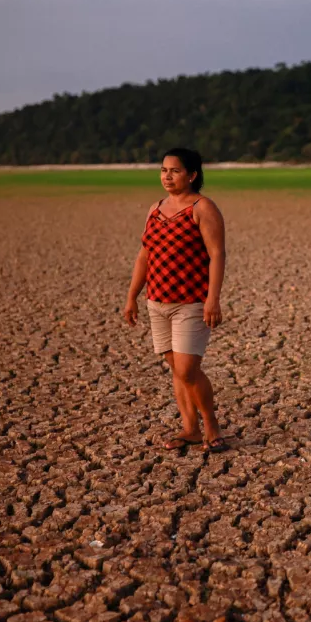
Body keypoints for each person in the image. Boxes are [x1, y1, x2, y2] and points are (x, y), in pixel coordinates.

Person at [123, 148, 227, 452]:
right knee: (177, 369)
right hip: (157, 302)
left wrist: (213, 299)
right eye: (163, 170)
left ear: (192, 175)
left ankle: (211, 425)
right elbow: (144, 255)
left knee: (187, 370)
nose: (167, 176)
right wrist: (132, 296)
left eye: (175, 171)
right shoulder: (155, 209)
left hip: (190, 302)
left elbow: (217, 254)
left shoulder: (202, 207)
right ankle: (189, 428)